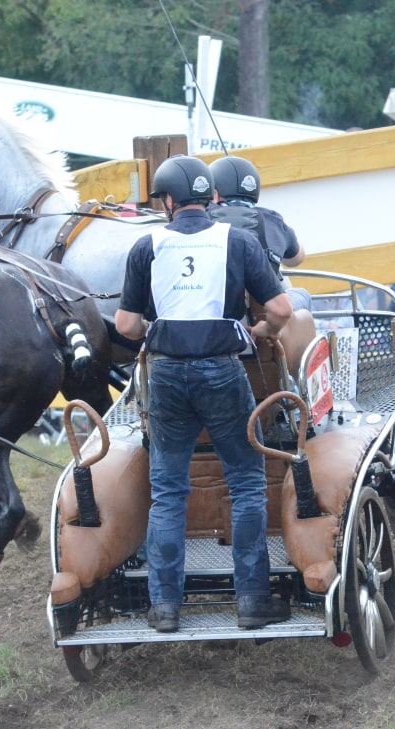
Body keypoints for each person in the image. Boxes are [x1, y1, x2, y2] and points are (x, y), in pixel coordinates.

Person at [115, 155, 293, 634]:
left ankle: (165, 606)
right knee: (247, 484)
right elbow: (281, 308)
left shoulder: (145, 245)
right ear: (212, 197)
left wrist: (161, 324)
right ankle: (252, 600)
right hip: (222, 372)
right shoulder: (237, 241)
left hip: (168, 376)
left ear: (168, 201)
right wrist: (256, 328)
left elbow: (127, 325)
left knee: (168, 491)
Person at [207, 155, 311, 311]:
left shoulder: (203, 218)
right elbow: (296, 259)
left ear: (214, 194)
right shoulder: (273, 220)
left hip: (214, 307)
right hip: (266, 312)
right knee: (303, 294)